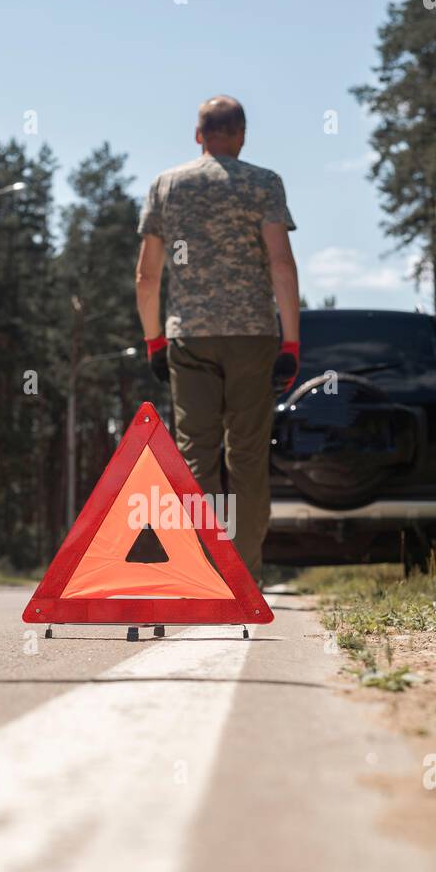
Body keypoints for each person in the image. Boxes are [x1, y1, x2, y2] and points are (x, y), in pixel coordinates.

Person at [134, 94, 300, 583]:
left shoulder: (167, 185)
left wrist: (154, 340)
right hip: (253, 336)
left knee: (195, 457)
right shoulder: (264, 183)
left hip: (191, 338)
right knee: (247, 458)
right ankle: (244, 577)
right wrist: (290, 343)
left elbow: (147, 277)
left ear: (198, 135)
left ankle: (203, 573)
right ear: (242, 135)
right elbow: (281, 263)